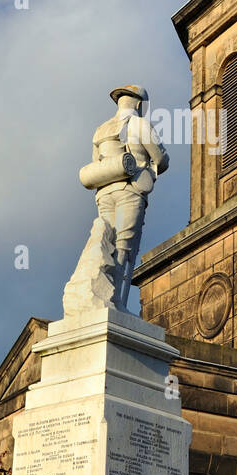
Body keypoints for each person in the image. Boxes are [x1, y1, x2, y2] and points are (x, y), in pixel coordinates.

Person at [79, 85, 169, 309]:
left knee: (105, 241)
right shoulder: (140, 124)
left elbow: (94, 163)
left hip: (104, 192)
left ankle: (101, 297)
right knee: (125, 246)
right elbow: (161, 157)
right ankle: (117, 302)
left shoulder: (101, 129)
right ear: (139, 104)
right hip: (130, 190)